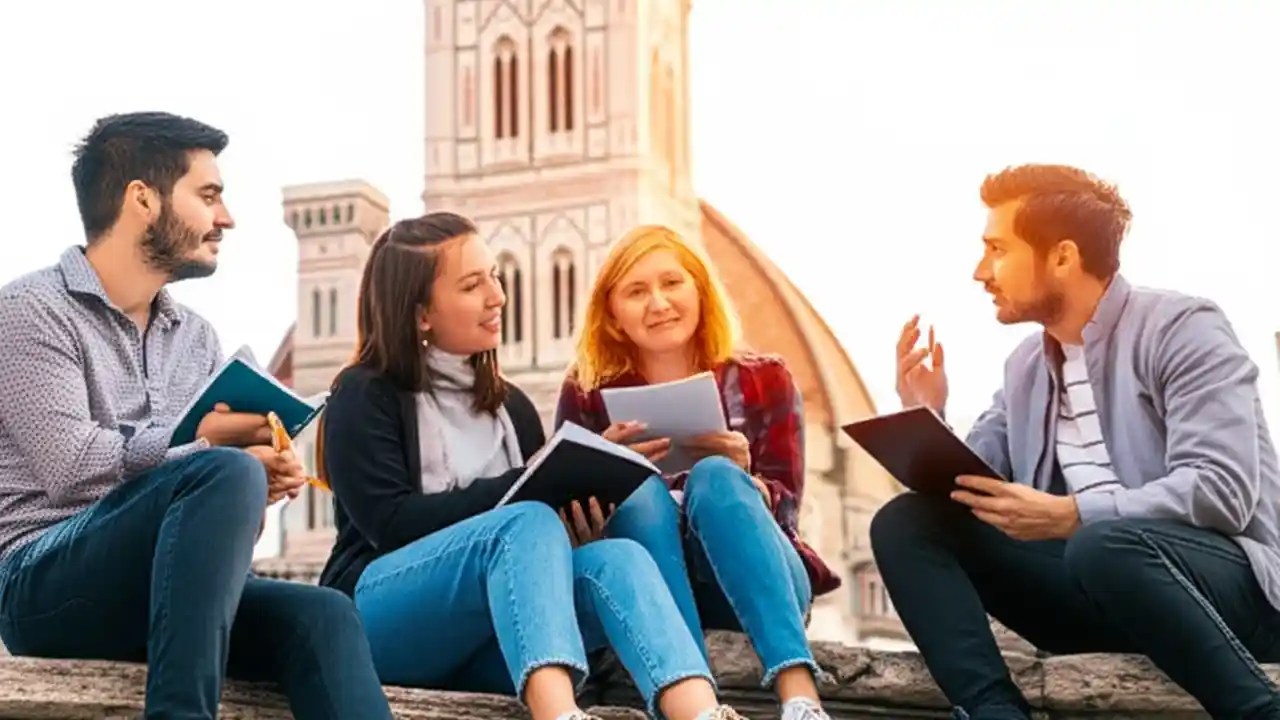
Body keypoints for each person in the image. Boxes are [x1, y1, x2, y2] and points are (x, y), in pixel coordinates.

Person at [0, 112, 393, 719]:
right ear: (142, 200)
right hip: (43, 585)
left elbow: (212, 524)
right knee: (222, 472)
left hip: (173, 588)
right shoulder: (32, 311)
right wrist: (209, 450)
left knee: (324, 614)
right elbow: (71, 467)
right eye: (208, 195)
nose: (226, 218)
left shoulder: (198, 340)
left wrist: (260, 482)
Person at [871, 163, 1280, 720]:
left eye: (997, 249)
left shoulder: (1184, 328)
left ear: (1062, 256)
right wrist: (926, 414)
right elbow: (973, 487)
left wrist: (1071, 515)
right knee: (905, 521)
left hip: (1227, 598)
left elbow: (1221, 490)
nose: (979, 271)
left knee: (1101, 546)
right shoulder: (1024, 369)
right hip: (1095, 595)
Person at [316, 211, 742, 720]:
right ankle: (558, 714)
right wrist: (532, 487)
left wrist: (578, 509)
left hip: (491, 641)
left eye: (495, 276)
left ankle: (700, 712)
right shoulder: (364, 394)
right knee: (525, 519)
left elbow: (531, 541)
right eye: (473, 285)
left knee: (619, 559)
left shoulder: (512, 407)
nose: (497, 296)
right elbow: (391, 524)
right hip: (379, 623)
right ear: (420, 314)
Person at [555, 224, 837, 720]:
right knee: (640, 491)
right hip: (656, 593)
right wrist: (597, 472)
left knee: (715, 477)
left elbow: (788, 508)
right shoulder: (586, 393)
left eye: (672, 283)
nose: (658, 302)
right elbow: (565, 509)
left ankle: (801, 701)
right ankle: (696, 707)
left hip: (756, 579)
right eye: (636, 291)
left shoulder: (764, 378)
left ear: (701, 292)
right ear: (614, 316)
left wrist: (746, 478)